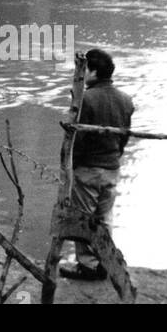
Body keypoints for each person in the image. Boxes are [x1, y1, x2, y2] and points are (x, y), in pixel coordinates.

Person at [61, 48, 135, 282]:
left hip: (88, 169)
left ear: (92, 71)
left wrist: (71, 165)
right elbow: (124, 136)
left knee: (83, 217)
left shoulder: (85, 99)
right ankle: (104, 261)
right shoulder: (125, 100)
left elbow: (78, 140)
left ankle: (88, 265)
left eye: (84, 70)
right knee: (104, 217)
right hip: (112, 167)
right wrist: (114, 157)